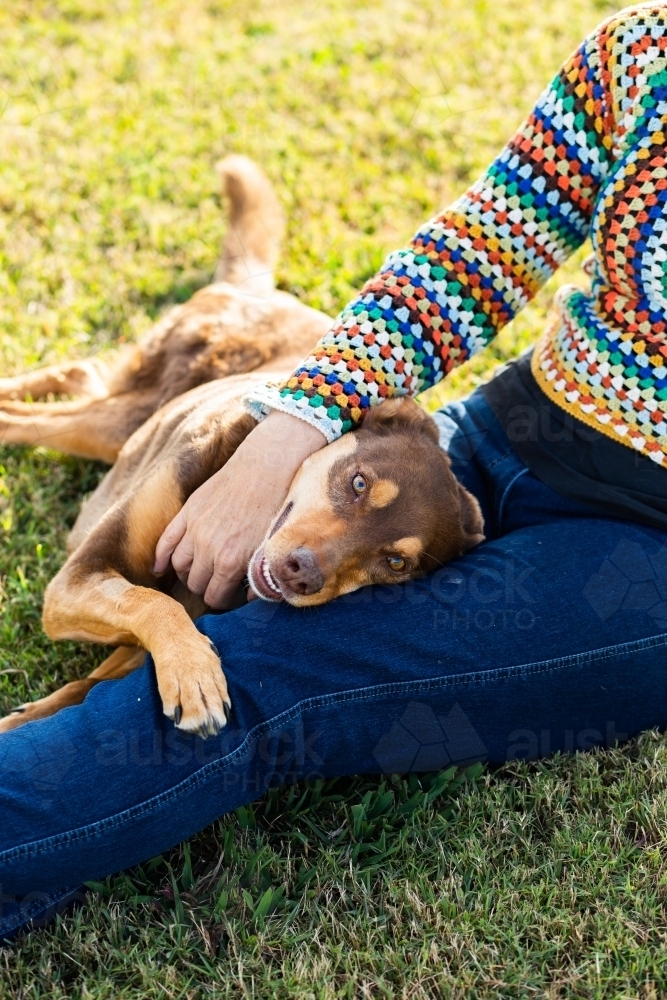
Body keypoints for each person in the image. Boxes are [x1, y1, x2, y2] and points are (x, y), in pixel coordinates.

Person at [3, 1, 667, 941]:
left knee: (266, 666)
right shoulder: (644, 50)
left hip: (642, 549)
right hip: (506, 424)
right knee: (245, 582)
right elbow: (480, 246)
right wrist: (284, 437)